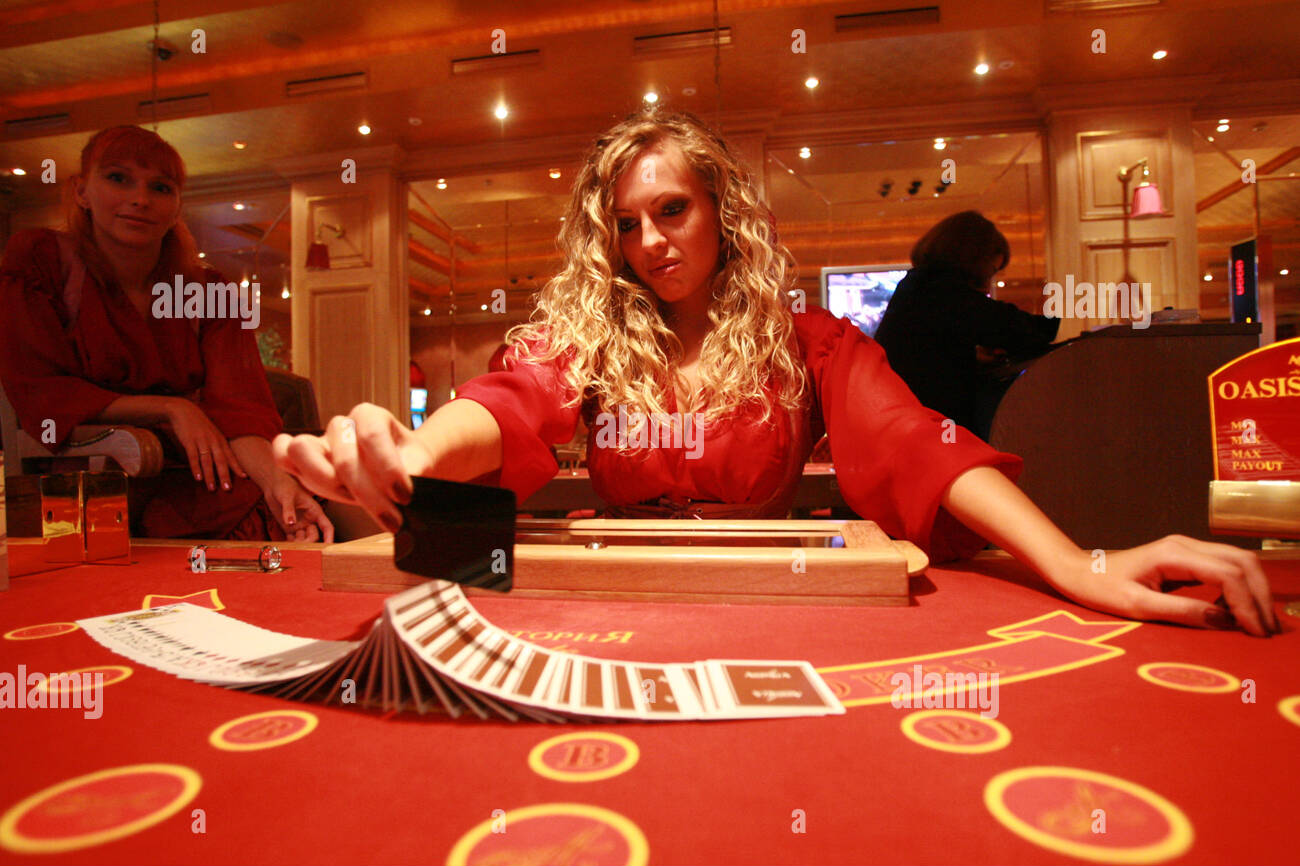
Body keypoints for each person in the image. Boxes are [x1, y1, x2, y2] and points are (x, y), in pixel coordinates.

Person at [274, 107, 1277, 636]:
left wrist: (1075, 563)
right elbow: (508, 402)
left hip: (775, 597)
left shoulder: (811, 341)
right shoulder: (595, 334)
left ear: (719, 213)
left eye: (671, 210)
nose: (650, 242)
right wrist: (412, 448)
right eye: (626, 224)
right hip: (609, 607)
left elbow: (914, 445)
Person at [0, 125, 332, 542]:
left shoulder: (210, 290)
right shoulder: (40, 259)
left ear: (176, 207)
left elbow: (241, 412)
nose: (140, 199)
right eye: (118, 178)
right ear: (81, 191)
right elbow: (40, 393)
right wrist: (172, 408)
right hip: (89, 483)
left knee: (317, 495)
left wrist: (276, 483)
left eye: (160, 187)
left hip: (202, 475)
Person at [874, 210, 1060, 440]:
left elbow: (928, 349)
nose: (989, 279)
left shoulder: (918, 285)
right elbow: (1023, 331)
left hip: (902, 422)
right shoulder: (943, 291)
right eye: (992, 270)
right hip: (929, 428)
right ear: (976, 259)